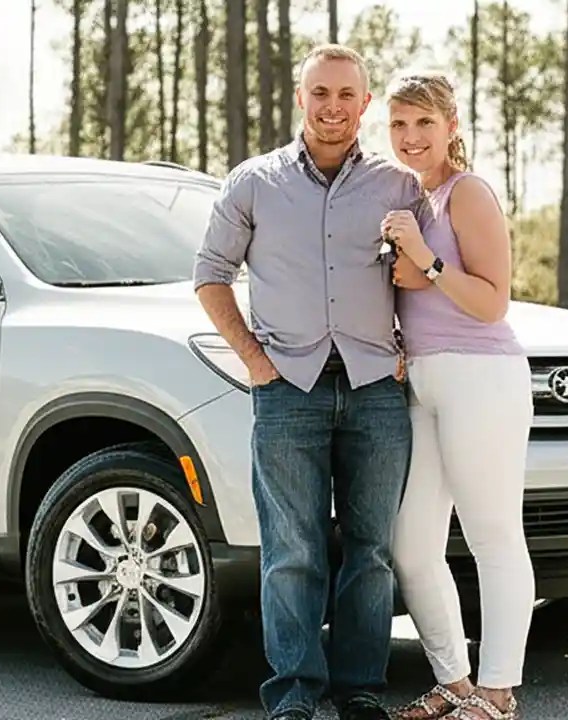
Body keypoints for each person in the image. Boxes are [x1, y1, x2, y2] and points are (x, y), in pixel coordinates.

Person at [193, 44, 433, 720]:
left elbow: (429, 274)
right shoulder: (253, 182)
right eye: (320, 93)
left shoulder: (399, 187)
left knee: (373, 551)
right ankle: (294, 694)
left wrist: (413, 348)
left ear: (364, 104)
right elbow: (210, 273)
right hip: (286, 389)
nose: (333, 107)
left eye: (347, 96)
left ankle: (359, 690)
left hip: (376, 390)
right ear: (301, 99)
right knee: (292, 551)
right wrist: (254, 360)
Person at [379, 70, 533, 720]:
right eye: (399, 125)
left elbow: (493, 303)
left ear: (452, 127)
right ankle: (455, 683)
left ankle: (498, 693)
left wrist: (428, 262)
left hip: (481, 379)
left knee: (492, 535)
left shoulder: (467, 195)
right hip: (423, 386)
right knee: (412, 546)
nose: (412, 138)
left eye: (423, 124)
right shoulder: (408, 199)